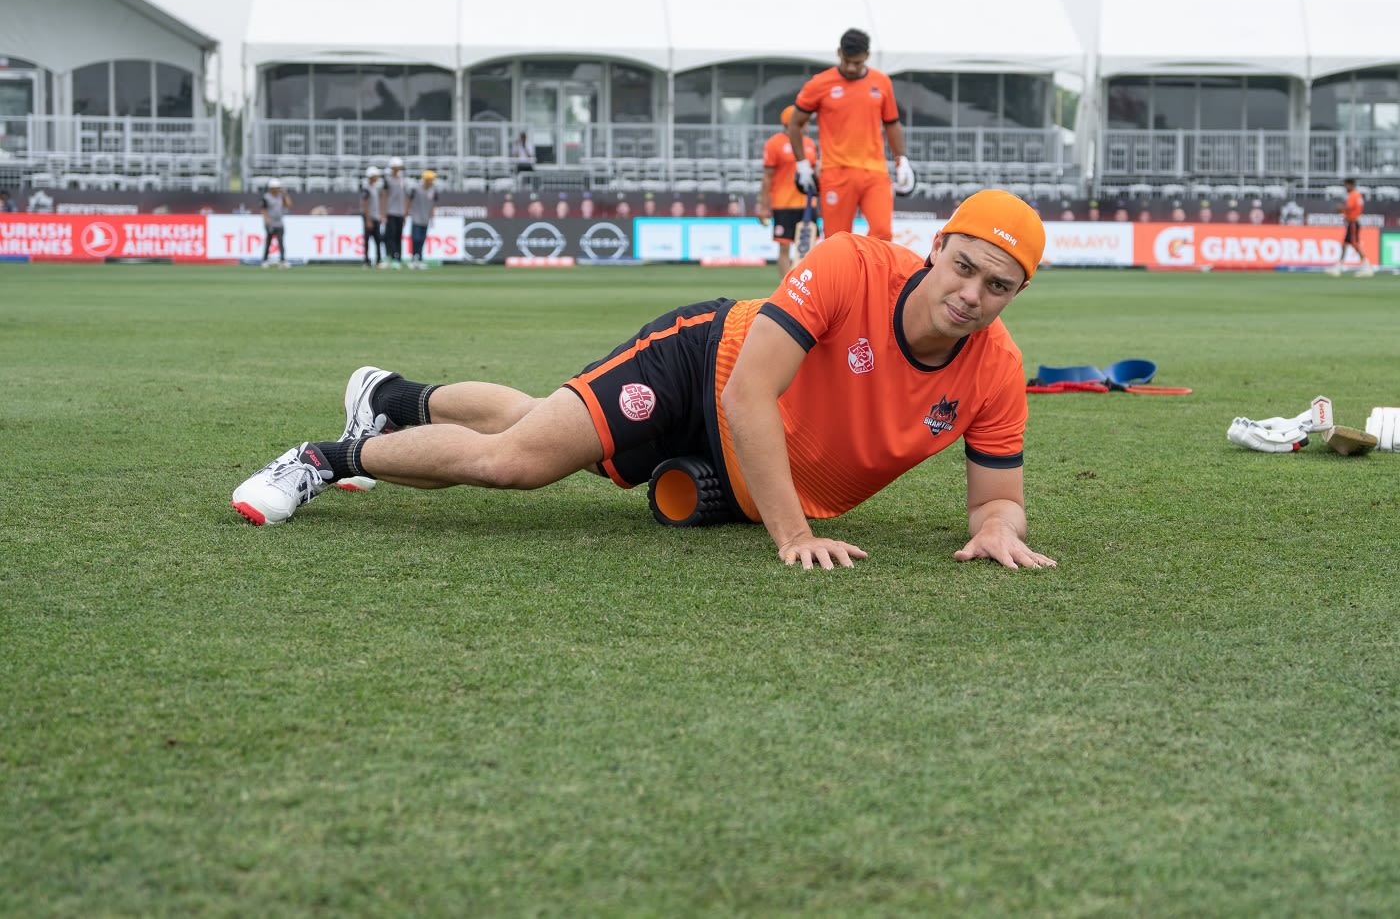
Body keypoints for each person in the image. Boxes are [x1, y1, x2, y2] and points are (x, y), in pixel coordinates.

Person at [230, 189, 1056, 572]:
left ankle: (392, 397)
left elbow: (996, 495)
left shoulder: (999, 371)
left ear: (1017, 294)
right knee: (518, 461)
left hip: (744, 472)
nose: (971, 295)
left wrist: (997, 525)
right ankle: (328, 459)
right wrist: (793, 535)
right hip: (701, 365)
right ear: (936, 246)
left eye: (997, 286)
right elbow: (745, 397)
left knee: (541, 426)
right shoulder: (849, 264)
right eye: (964, 268)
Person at [787, 28, 914, 243]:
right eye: (847, 61)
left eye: (857, 62)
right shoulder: (819, 84)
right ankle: (841, 277)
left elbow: (892, 123)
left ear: (867, 56)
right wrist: (802, 164)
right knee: (836, 241)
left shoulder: (882, 82)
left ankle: (870, 277)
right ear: (838, 53)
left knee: (883, 235)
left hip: (875, 172)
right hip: (836, 173)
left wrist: (902, 160)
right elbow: (795, 124)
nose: (851, 67)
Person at [758, 105, 820, 279]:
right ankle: (785, 287)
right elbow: (767, 177)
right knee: (784, 247)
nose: (807, 124)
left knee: (809, 247)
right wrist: (763, 206)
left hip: (807, 204)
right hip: (783, 203)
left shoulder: (809, 144)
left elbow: (815, 175)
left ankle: (806, 286)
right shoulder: (774, 143)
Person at [1327, 178, 1374, 277]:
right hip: (1352, 222)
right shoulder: (1356, 195)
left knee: (1355, 243)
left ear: (1351, 185)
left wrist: (1341, 208)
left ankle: (1367, 266)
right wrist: (1345, 213)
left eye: (1346, 185)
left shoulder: (1353, 195)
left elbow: (1350, 208)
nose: (1345, 187)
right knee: (1344, 244)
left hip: (1353, 222)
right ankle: (1339, 266)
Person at [405, 169, 437, 269]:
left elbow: (432, 205)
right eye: (430, 179)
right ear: (425, 180)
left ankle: (420, 259)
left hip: (425, 219)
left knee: (422, 240)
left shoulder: (432, 191)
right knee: (415, 239)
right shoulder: (416, 189)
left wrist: (432, 218)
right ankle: (413, 258)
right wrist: (406, 213)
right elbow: (409, 201)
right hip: (416, 218)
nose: (431, 182)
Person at [382, 156, 408, 269]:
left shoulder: (403, 180)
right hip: (390, 211)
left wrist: (405, 212)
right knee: (390, 236)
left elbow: (405, 197)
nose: (398, 169)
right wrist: (383, 213)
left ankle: (398, 258)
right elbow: (384, 197)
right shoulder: (387, 180)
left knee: (399, 236)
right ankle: (392, 257)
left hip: (400, 212)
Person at [260, 178, 292, 268]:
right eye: (276, 187)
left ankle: (282, 260)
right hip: (270, 222)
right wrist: (266, 220)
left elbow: (289, 205)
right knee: (268, 242)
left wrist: (285, 194)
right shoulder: (266, 197)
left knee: (281, 242)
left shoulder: (281, 197)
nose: (278, 189)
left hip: (279, 223)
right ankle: (265, 260)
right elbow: (263, 210)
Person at [360, 166, 385, 269]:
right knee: (367, 240)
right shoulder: (366, 189)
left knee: (377, 240)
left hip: (375, 217)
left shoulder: (374, 188)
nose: (377, 178)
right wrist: (368, 219)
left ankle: (378, 260)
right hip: (369, 218)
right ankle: (366, 261)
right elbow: (365, 205)